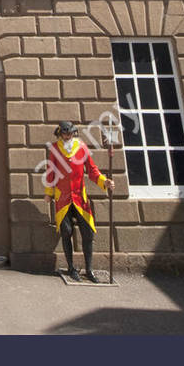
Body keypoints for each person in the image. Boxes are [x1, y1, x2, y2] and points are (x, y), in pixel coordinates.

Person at [45, 120, 115, 282]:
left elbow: (92, 170)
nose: (68, 136)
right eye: (65, 133)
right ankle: (71, 268)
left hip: (79, 197)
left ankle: (89, 269)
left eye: (70, 133)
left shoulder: (82, 147)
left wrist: (104, 181)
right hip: (62, 197)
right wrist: (48, 192)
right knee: (66, 232)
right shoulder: (55, 149)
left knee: (88, 233)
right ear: (60, 133)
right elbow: (50, 172)